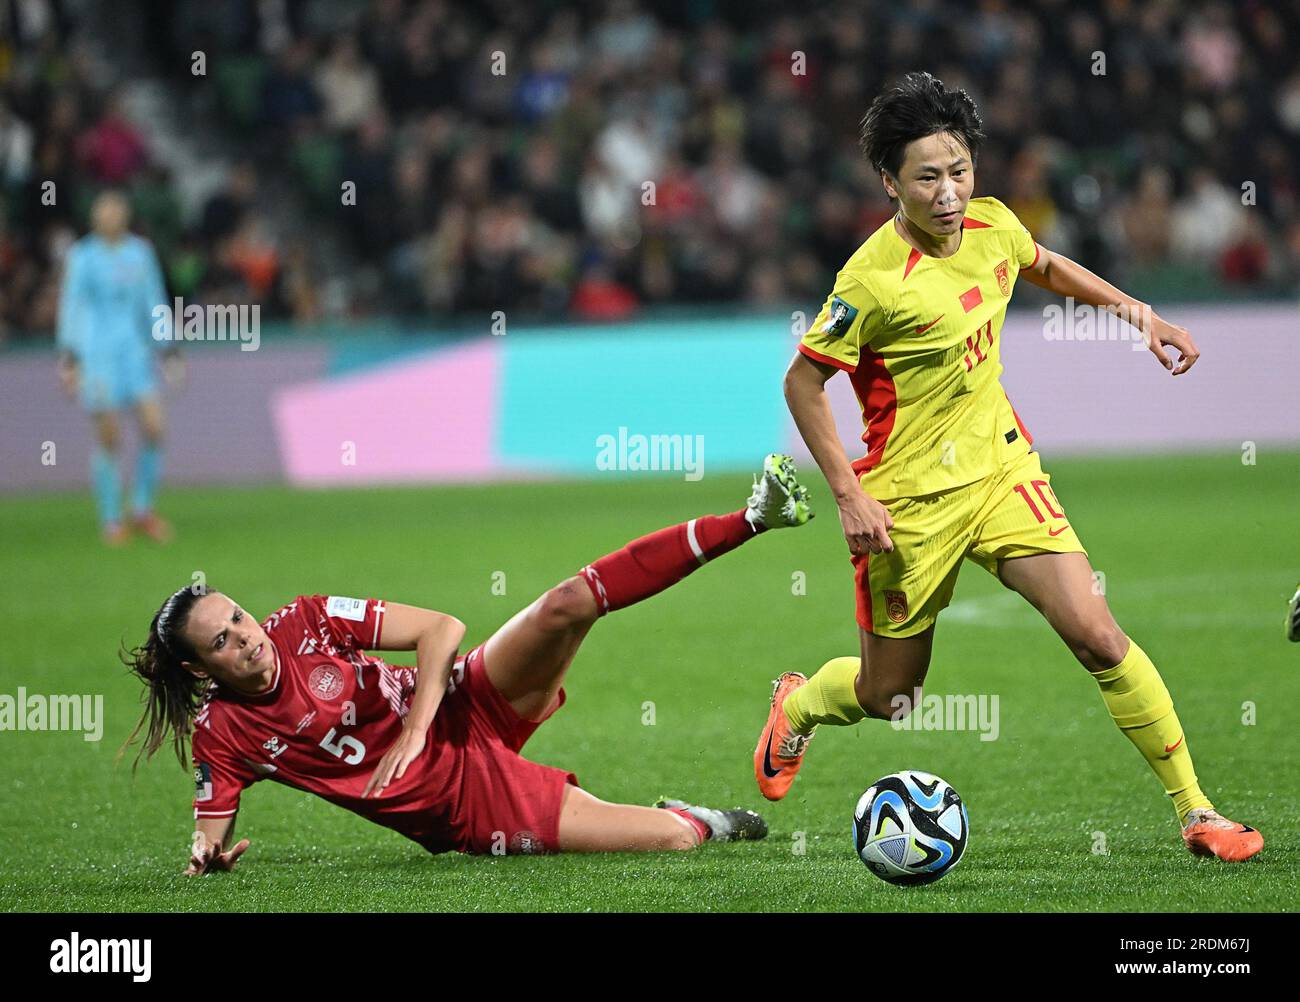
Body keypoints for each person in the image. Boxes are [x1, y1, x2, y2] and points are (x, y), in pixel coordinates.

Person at [757, 72, 1261, 863]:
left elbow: (1047, 266)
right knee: (891, 695)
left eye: (959, 170)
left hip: (1002, 474)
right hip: (907, 507)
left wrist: (1142, 315)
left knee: (1098, 635)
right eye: (926, 176)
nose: (949, 192)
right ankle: (799, 706)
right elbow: (802, 380)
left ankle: (1198, 810)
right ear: (890, 182)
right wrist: (848, 494)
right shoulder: (870, 280)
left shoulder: (993, 225)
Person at [122, 456, 812, 872]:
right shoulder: (223, 734)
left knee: (566, 603)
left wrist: (419, 727)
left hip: (461, 698)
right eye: (221, 642)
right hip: (462, 804)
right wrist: (205, 858)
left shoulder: (304, 620)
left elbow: (442, 629)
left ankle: (752, 516)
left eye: (237, 617)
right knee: (670, 843)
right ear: (197, 672)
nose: (244, 637)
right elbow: (210, 827)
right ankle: (706, 819)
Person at [57, 190, 181, 545]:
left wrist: (168, 348)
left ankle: (142, 509)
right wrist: (69, 356)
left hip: (135, 355)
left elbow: (154, 301)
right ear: (95, 217)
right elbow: (72, 306)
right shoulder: (83, 256)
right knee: (109, 437)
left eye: (115, 210)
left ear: (124, 215)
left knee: (154, 428)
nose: (109, 216)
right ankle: (112, 519)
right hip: (97, 356)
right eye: (103, 210)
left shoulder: (140, 253)